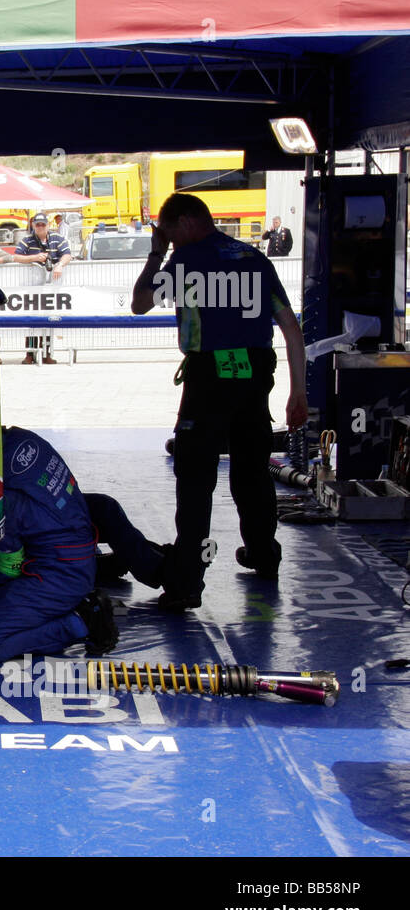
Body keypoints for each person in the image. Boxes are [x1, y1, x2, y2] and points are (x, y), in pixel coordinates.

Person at [131, 193, 307, 609]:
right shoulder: (254, 258)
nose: (166, 240)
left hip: (209, 374)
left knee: (195, 476)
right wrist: (298, 390)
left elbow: (139, 305)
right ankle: (264, 556)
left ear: (188, 222)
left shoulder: (184, 260)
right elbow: (290, 327)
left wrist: (155, 256)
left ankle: (187, 580)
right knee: (251, 470)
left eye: (167, 231)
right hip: (253, 372)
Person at [0, 426, 116, 663]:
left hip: (57, 576)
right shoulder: (24, 439)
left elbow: (8, 570)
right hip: (71, 552)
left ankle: (79, 622)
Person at [13, 211, 72, 363]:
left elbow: (67, 254)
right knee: (32, 320)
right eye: (37, 224)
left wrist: (59, 265)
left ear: (48, 225)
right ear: (33, 225)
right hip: (32, 286)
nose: (40, 227)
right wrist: (34, 258)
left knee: (48, 319)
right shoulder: (27, 240)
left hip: (51, 287)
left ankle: (46, 354)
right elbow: (16, 256)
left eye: (43, 224)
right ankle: (30, 353)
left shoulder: (57, 238)